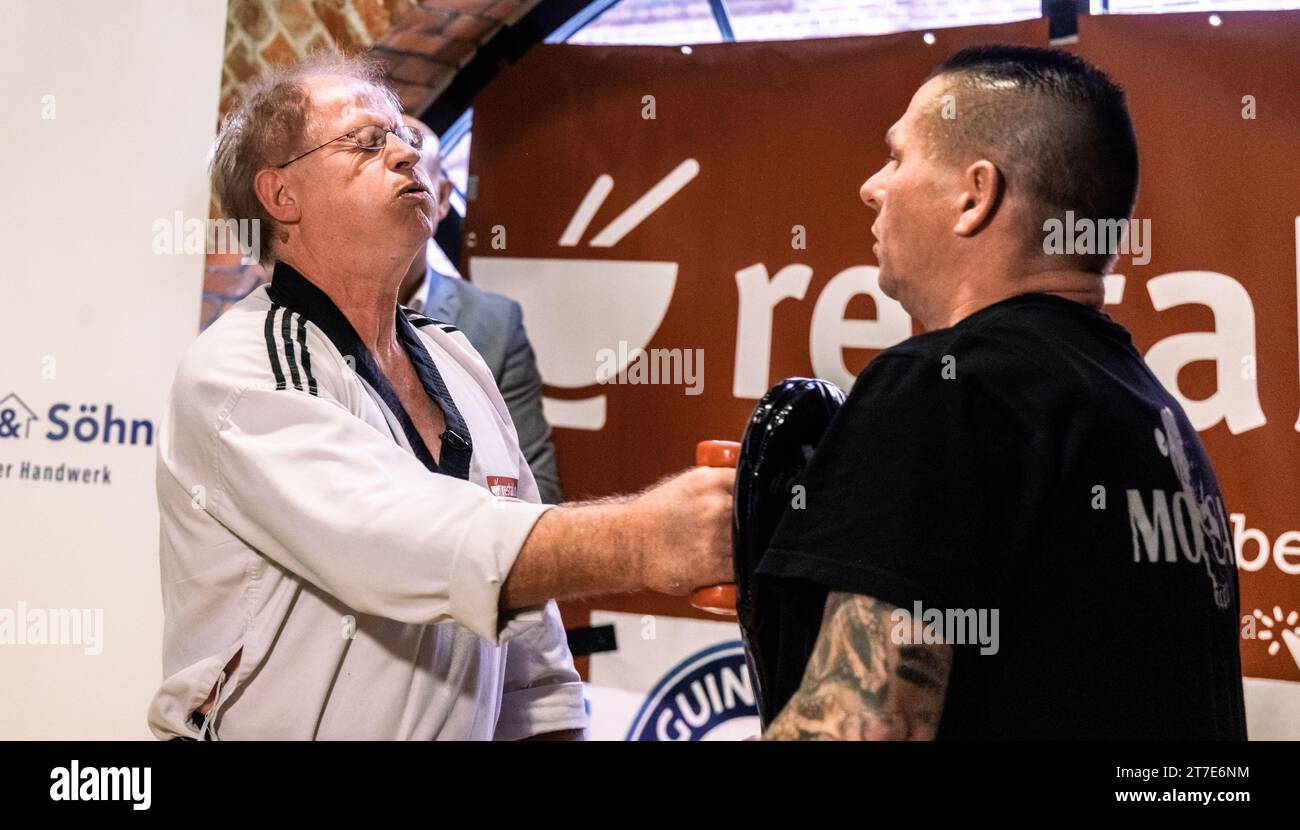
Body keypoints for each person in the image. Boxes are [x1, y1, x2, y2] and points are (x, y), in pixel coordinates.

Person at [150, 51, 733, 740]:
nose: (405, 156)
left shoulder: (456, 360)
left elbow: (533, 660)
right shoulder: (242, 371)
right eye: (368, 142)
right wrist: (643, 540)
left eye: (400, 136)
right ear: (282, 197)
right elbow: (397, 543)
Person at [761, 45, 1245, 740]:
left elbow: (858, 727)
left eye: (897, 158)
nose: (873, 186)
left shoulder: (942, 387)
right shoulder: (1146, 410)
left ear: (975, 194)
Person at [395, 115, 563, 505]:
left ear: (441, 197)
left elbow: (534, 485)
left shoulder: (494, 323)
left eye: (414, 177)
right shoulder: (298, 316)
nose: (400, 180)